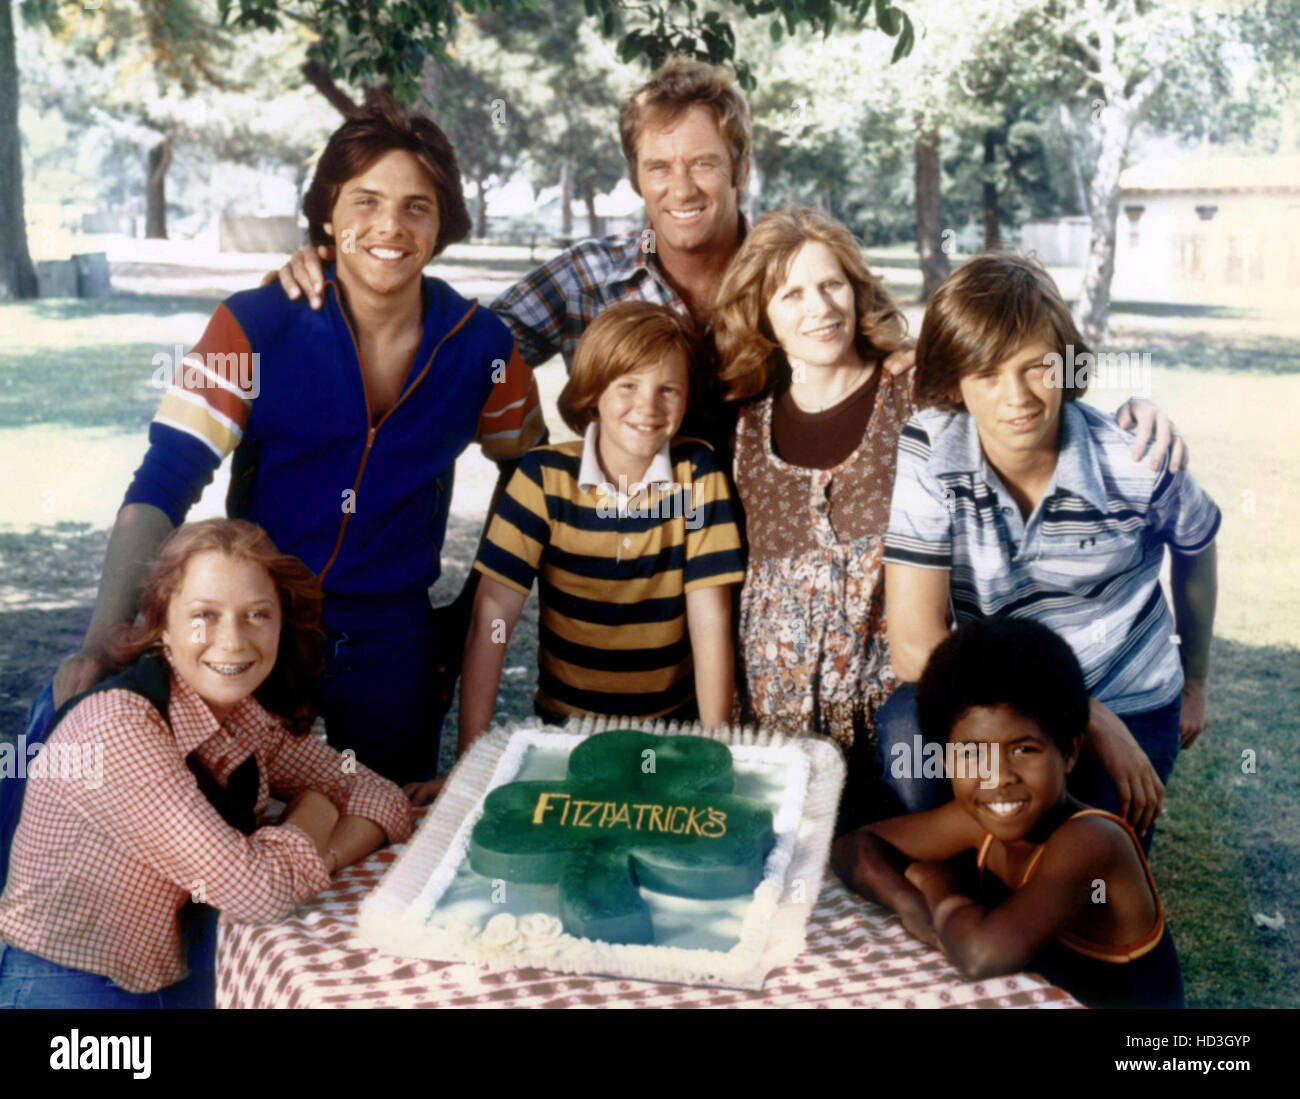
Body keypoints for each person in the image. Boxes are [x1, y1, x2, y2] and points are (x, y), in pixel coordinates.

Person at [41, 92, 545, 786]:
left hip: (396, 643)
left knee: (387, 833)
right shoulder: (252, 324)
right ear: (328, 215)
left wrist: (468, 611)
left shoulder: (483, 347)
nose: (389, 225)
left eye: (416, 205)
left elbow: (530, 475)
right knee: (236, 836)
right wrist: (104, 636)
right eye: (364, 201)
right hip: (252, 629)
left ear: (443, 224)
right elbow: (164, 480)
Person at [879, 253, 1220, 848]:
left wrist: (1195, 683)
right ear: (955, 383)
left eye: (1037, 367)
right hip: (1007, 706)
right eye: (986, 375)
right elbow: (912, 647)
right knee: (908, 732)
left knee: (1078, 862)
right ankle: (967, 867)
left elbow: (1197, 547)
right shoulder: (932, 448)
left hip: (1127, 696)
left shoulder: (1135, 458)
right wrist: (1084, 712)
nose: (1017, 397)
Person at [0, 519, 412, 1008]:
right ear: (163, 628)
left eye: (257, 614)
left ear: (282, 621)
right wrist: (316, 810)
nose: (233, 641)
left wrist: (319, 859)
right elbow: (258, 892)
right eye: (204, 615)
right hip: (69, 987)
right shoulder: (118, 727)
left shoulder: (242, 715)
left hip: (177, 974)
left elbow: (385, 799)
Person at [406, 303, 744, 804]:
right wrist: (469, 764)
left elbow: (710, 617)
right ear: (593, 390)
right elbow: (492, 618)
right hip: (566, 736)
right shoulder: (543, 479)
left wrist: (717, 753)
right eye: (627, 385)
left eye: (667, 389)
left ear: (688, 395)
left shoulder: (698, 475)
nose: (647, 407)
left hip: (672, 734)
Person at [832, 616, 1185, 1009]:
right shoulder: (975, 819)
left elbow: (982, 956)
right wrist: (909, 905)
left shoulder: (1092, 841)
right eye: (972, 754)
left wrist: (940, 886)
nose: (997, 777)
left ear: (1068, 752)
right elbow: (854, 846)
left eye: (1023, 749)